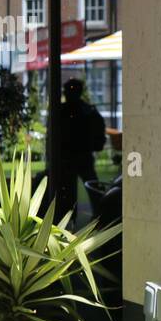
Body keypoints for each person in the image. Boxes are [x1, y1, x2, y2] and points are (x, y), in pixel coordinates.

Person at [55, 77, 107, 216]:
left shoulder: (64, 112)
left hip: (73, 157)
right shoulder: (86, 111)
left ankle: (97, 216)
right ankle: (101, 217)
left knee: (71, 193)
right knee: (89, 191)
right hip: (80, 156)